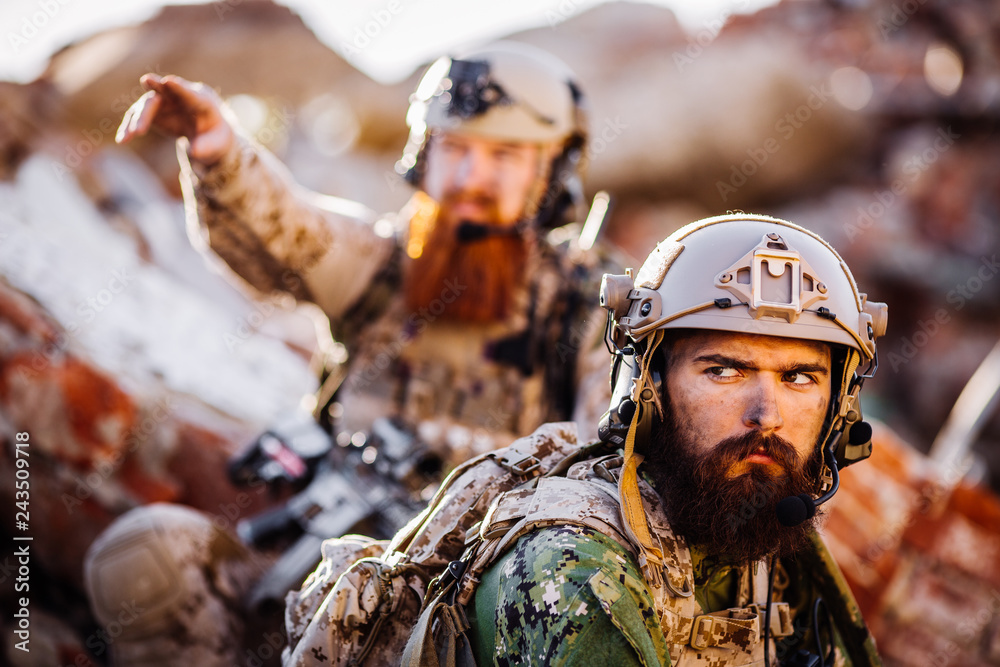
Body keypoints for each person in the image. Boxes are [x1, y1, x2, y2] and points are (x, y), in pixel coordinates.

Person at [85, 42, 614, 667]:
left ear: (551, 171)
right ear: (423, 155)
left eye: (504, 157)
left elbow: (605, 460)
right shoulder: (385, 268)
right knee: (147, 556)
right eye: (456, 148)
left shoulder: (588, 309)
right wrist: (215, 146)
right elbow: (286, 230)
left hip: (467, 610)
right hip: (318, 564)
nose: (473, 178)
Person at [282, 213, 887, 666]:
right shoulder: (575, 568)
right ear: (649, 387)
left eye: (799, 378)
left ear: (839, 407)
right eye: (723, 370)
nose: (767, 414)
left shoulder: (771, 537)